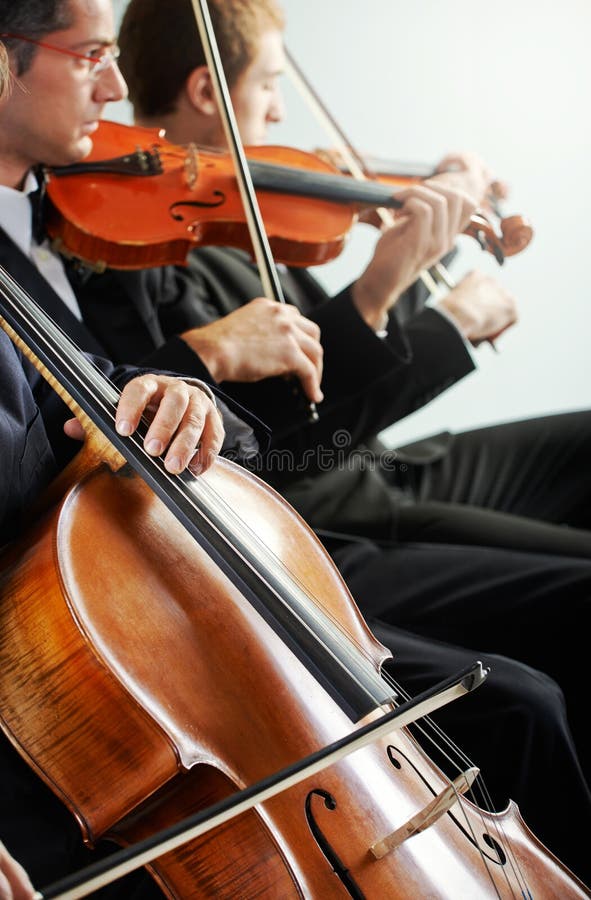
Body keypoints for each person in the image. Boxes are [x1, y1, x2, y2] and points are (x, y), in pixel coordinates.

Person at [0, 2, 588, 891]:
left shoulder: (74, 207)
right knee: (529, 685)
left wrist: (192, 383)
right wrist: (399, 311)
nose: (273, 119)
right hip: (286, 519)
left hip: (262, 519)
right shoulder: (107, 231)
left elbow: (223, 421)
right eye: (90, 56)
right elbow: (283, 447)